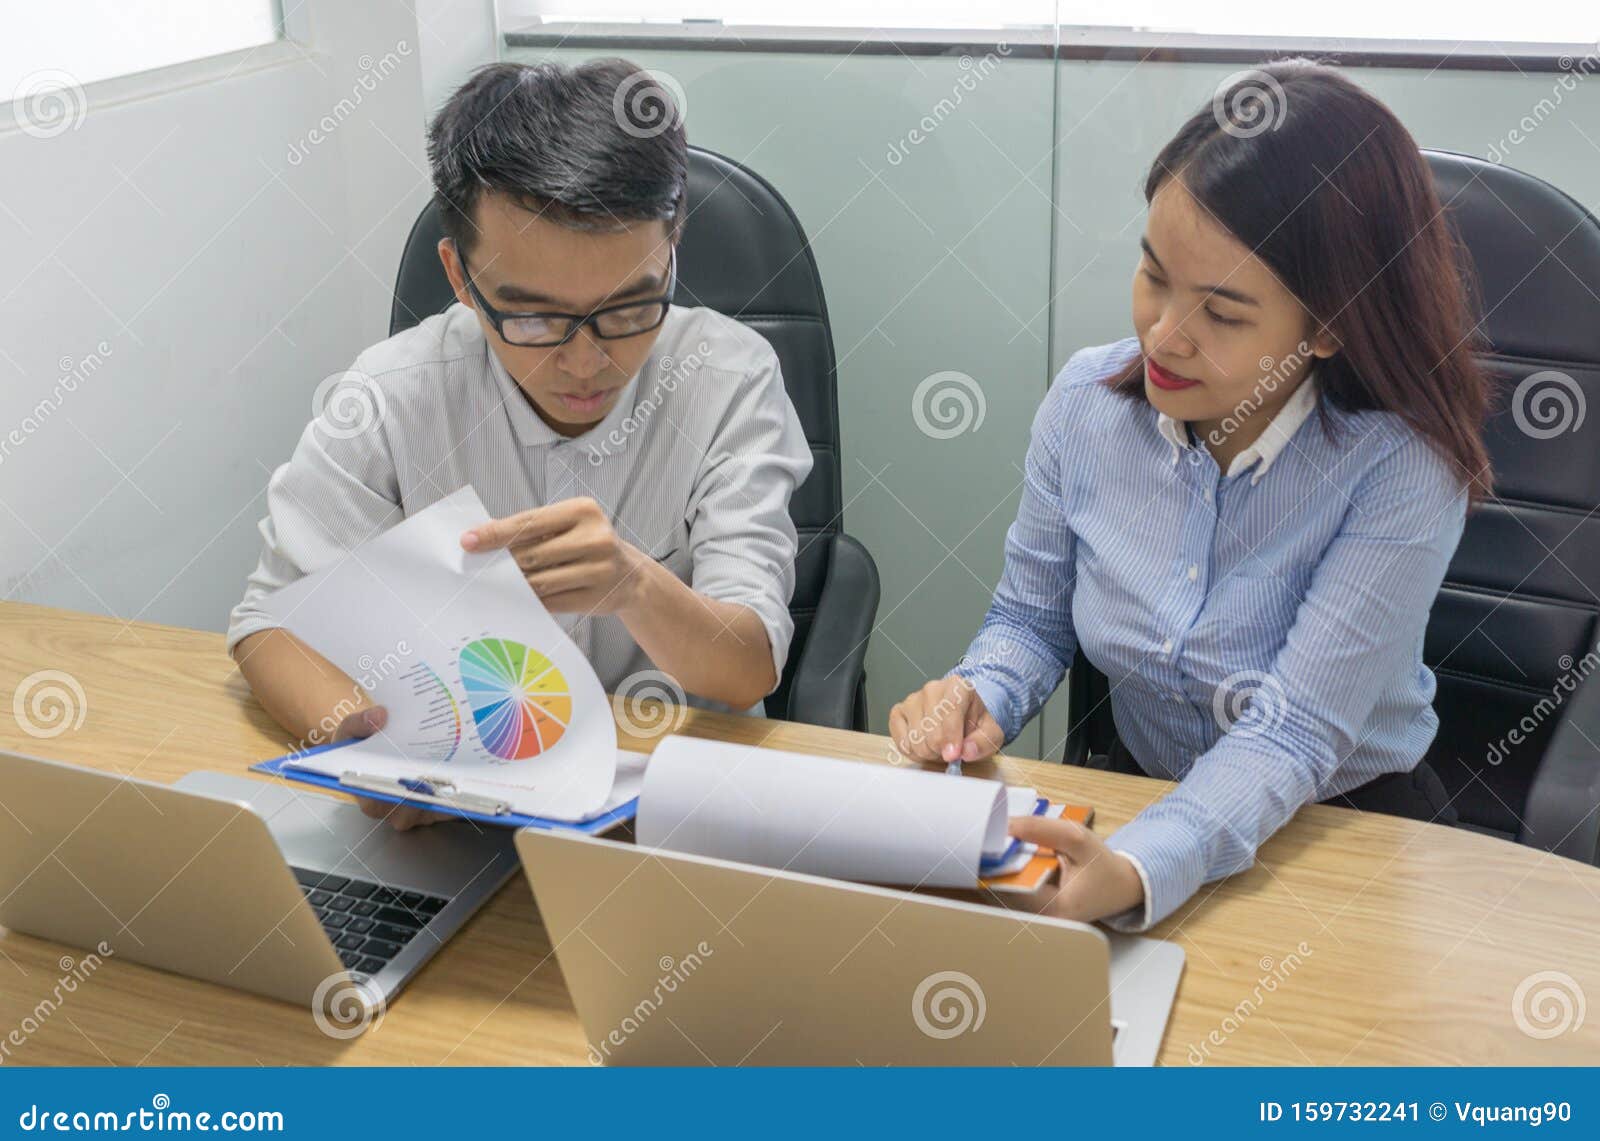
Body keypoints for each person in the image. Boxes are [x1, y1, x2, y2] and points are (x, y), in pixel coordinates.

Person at [890, 59, 1490, 930]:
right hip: (1140, 803)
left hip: (1342, 832)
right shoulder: (1085, 405)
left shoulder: (1402, 468)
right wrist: (978, 696)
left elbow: (1291, 732)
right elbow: (1030, 620)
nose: (1164, 336)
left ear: (1329, 325)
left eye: (1223, 313)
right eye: (1154, 275)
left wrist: (1143, 864)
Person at [230, 60, 811, 827]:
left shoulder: (729, 379)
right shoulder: (389, 396)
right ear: (460, 276)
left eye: (630, 307)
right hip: (459, 816)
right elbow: (268, 623)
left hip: (674, 809)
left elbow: (747, 667)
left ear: (673, 245)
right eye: (534, 317)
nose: (585, 360)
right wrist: (368, 745)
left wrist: (635, 585)